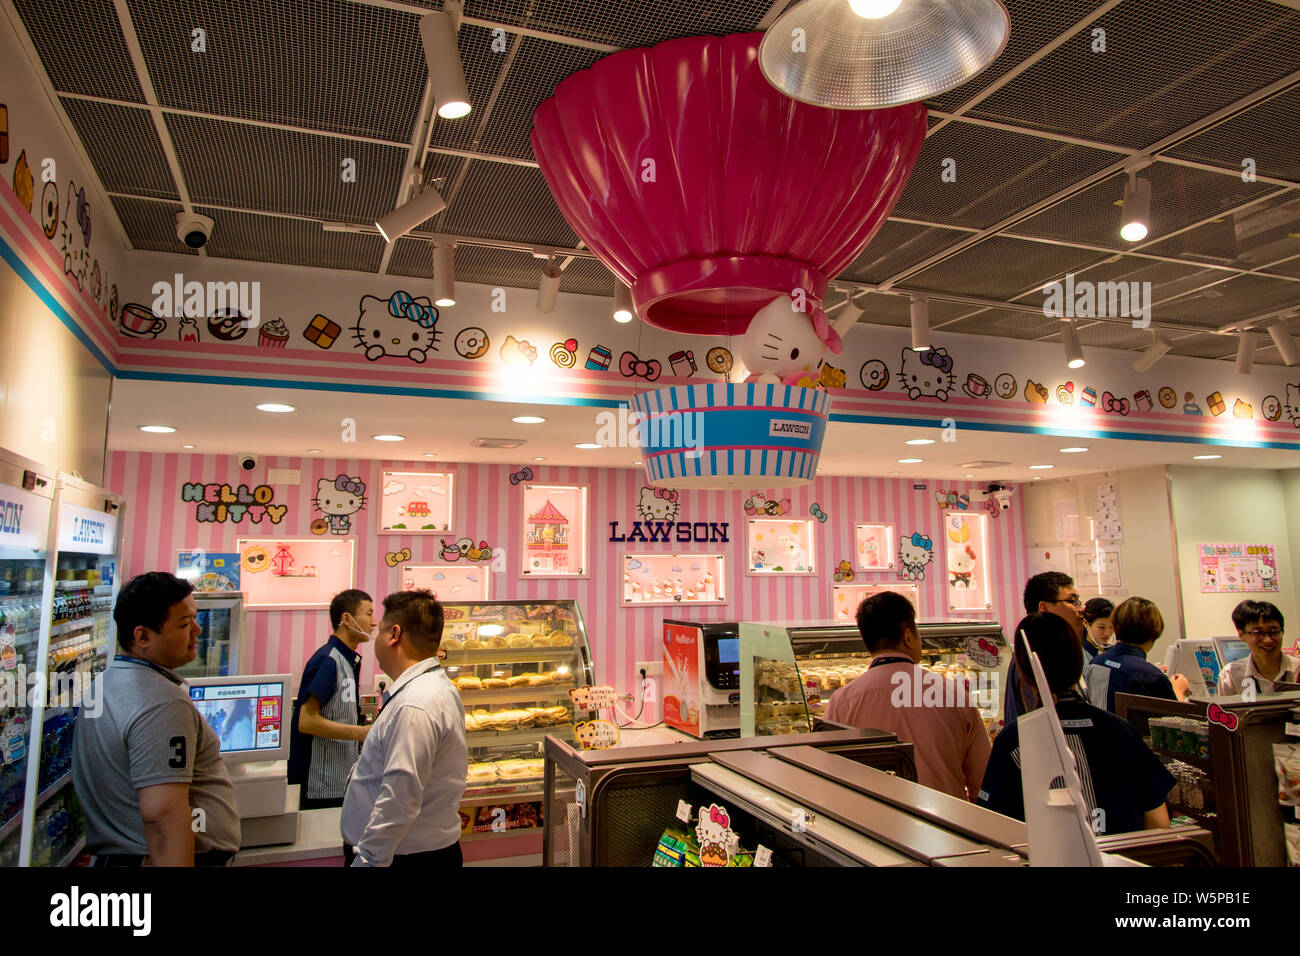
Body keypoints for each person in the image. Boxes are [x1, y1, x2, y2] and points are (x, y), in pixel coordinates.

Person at [71, 572, 241, 866]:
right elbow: (162, 816)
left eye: (195, 619)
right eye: (184, 624)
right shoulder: (161, 703)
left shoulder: (108, 682)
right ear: (143, 636)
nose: (198, 631)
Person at [978, 613, 1174, 835]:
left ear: (1023, 671)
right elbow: (1159, 823)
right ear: (1079, 661)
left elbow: (996, 829)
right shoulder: (1121, 731)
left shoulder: (1016, 740)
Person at [341, 590, 467, 867]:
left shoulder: (415, 705)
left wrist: (368, 861)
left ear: (394, 634)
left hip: (405, 857)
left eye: (380, 629)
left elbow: (399, 797)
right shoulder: (429, 689)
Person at [825, 591, 990, 802]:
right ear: (908, 637)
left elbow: (832, 781)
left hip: (869, 825)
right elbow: (982, 782)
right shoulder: (954, 694)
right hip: (946, 825)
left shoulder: (841, 702)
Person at [288, 588, 375, 810]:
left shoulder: (347, 661)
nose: (374, 623)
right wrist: (362, 733)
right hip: (320, 782)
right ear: (346, 619)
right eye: (369, 614)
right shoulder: (328, 661)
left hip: (338, 777)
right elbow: (306, 721)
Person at [1003, 572, 1085, 725]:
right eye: (1072, 601)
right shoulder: (1033, 656)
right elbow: (1040, 721)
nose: (1079, 610)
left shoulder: (1058, 650)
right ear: (1044, 607)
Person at [1083, 596, 1178, 714]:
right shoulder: (1152, 677)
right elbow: (1175, 725)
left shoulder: (1096, 663)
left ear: (1116, 628)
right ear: (1154, 633)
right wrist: (1179, 691)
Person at [1219, 600, 1299, 696]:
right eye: (1258, 633)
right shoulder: (1231, 675)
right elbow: (1222, 710)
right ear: (1241, 635)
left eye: (1274, 631)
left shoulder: (1297, 669)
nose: (1268, 640)